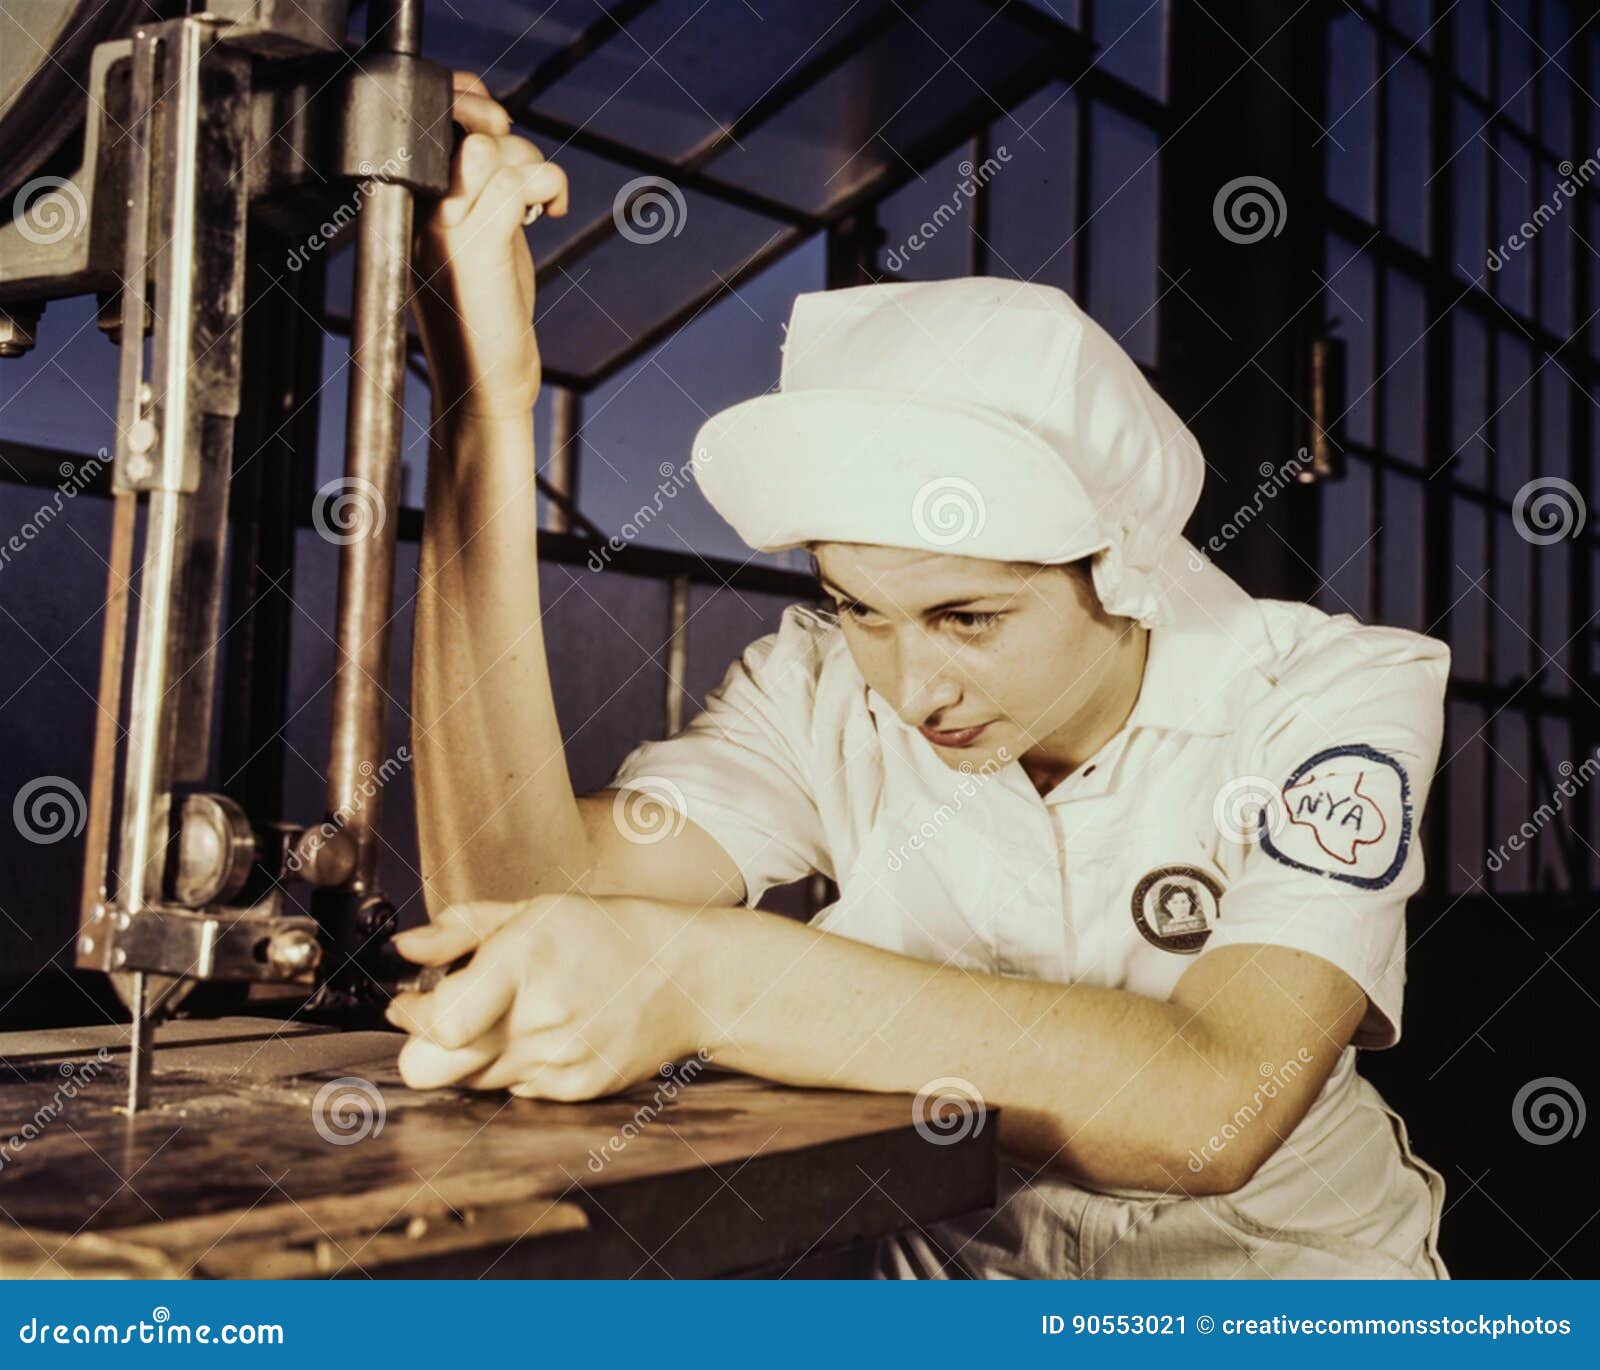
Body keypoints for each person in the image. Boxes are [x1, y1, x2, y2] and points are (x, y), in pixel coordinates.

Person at [387, 75, 1451, 1280]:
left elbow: (1211, 1106)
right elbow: (524, 902)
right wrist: (482, 413)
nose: (909, 685)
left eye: (968, 616)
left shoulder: (1327, 693)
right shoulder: (817, 690)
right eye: (855, 609)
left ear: (1122, 563)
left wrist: (699, 975)